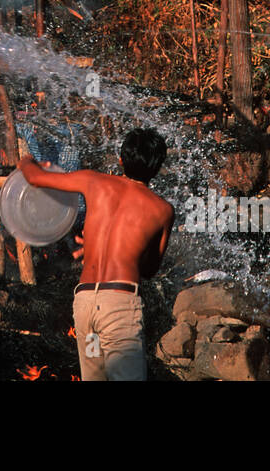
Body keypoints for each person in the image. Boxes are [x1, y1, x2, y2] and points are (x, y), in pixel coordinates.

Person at [18, 127, 173, 381]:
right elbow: (149, 270)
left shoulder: (94, 181)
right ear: (157, 168)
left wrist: (25, 160)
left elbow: (34, 178)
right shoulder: (162, 210)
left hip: (85, 304)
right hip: (119, 308)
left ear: (121, 159)